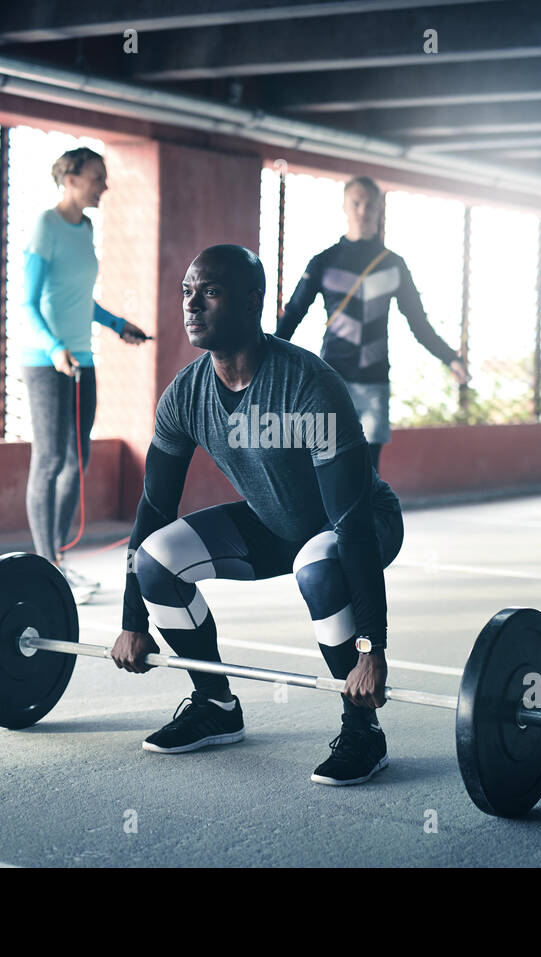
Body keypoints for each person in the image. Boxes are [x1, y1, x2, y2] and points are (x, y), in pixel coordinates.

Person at [109, 244, 404, 786]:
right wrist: (133, 620)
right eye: (187, 292)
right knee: (157, 560)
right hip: (275, 524)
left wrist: (372, 648)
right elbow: (154, 507)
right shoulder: (185, 394)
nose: (192, 304)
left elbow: (353, 524)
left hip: (361, 524)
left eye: (210, 292)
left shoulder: (308, 385)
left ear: (252, 303)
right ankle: (215, 705)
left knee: (318, 559)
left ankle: (363, 728)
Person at [20, 146, 146, 602]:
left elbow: (79, 300)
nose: (104, 186)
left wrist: (117, 325)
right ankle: (44, 565)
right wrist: (54, 349)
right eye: (97, 177)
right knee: (51, 460)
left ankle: (59, 562)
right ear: (70, 178)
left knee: (79, 461)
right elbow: (27, 303)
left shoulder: (86, 227)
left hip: (81, 360)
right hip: (45, 361)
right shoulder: (45, 226)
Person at [275, 175, 467, 470]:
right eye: (356, 203)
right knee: (325, 467)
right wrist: (265, 357)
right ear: (344, 206)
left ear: (379, 209)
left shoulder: (395, 265)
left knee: (368, 471)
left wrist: (450, 359)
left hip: (374, 380)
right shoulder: (323, 262)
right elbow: (294, 314)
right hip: (331, 380)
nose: (363, 211)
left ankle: (367, 519)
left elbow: (418, 323)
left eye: (370, 205)